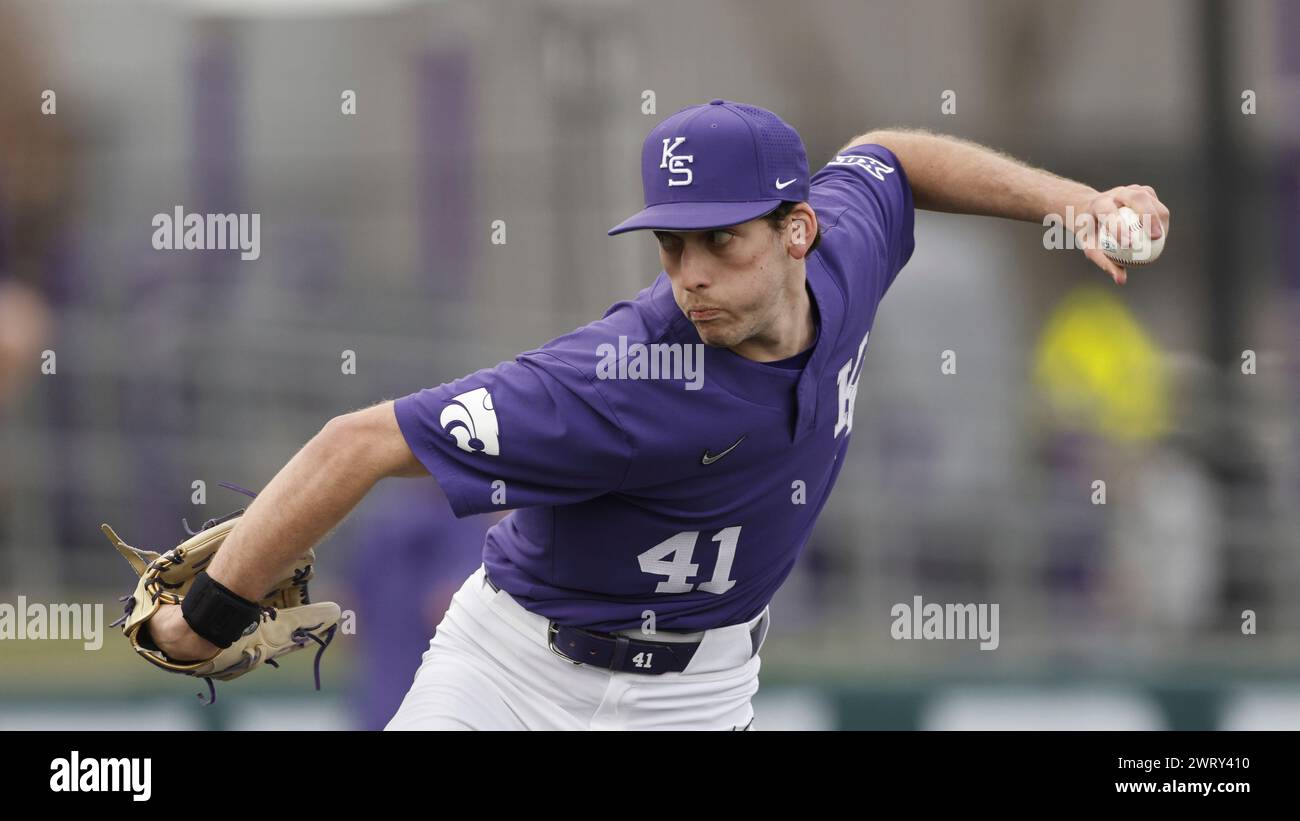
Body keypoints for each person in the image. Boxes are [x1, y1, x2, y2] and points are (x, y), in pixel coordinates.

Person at [141, 100, 1169, 730]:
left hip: (696, 693)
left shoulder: (847, 254)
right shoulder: (619, 375)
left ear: (798, 229)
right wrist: (208, 617)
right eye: (670, 246)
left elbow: (891, 158)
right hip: (512, 670)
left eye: (719, 242)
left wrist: (1066, 201)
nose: (691, 275)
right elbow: (354, 443)